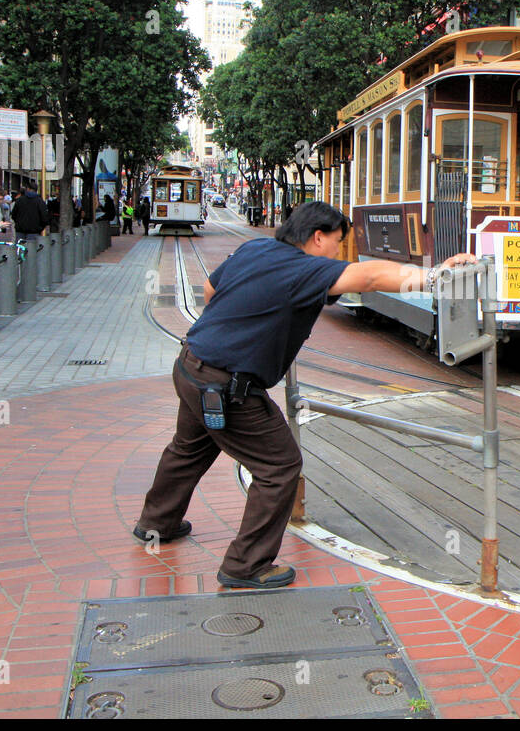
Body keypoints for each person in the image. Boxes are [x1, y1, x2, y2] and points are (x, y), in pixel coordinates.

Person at [134, 201, 477, 589]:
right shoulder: (306, 268)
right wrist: (435, 277)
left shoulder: (254, 248)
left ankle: (156, 524)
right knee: (279, 467)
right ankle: (245, 566)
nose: (337, 252)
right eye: (336, 242)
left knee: (188, 448)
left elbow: (212, 289)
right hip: (227, 387)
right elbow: (368, 278)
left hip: (191, 366)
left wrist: (240, 328)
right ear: (317, 238)